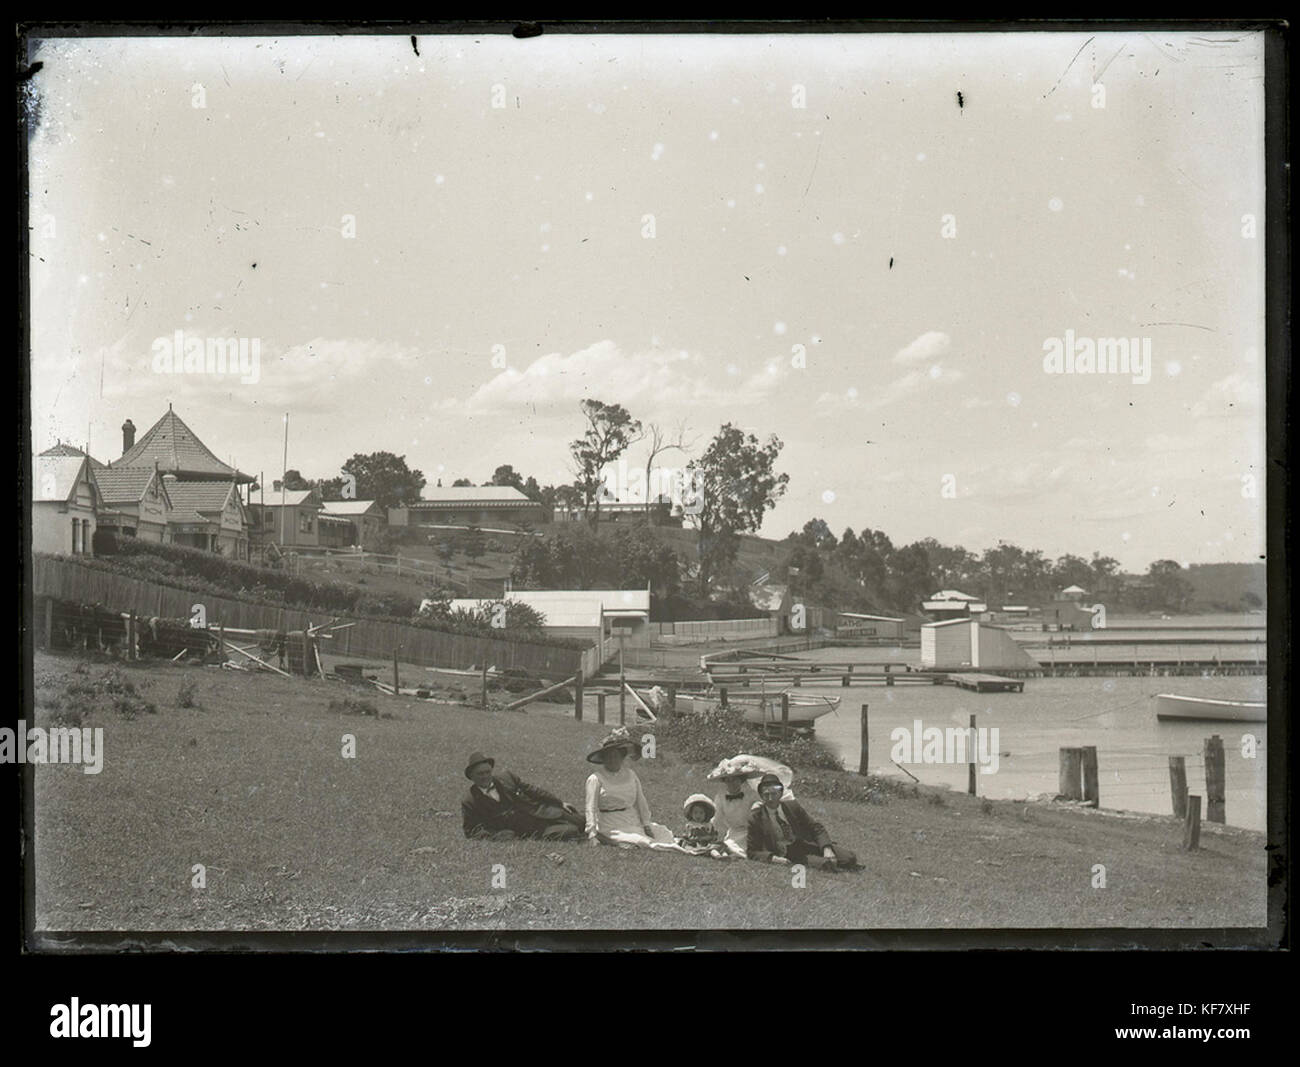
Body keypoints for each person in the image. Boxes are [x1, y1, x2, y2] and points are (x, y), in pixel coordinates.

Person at [584, 727, 681, 849]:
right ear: (603, 759)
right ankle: (607, 838)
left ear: (622, 757)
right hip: (610, 824)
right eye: (608, 756)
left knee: (662, 833)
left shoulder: (631, 775)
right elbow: (590, 807)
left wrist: (646, 824)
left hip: (631, 819)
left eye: (616, 756)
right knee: (642, 841)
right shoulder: (595, 779)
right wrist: (592, 834)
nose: (612, 760)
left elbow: (640, 801)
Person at [461, 751, 585, 841]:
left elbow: (534, 791)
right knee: (571, 831)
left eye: (487, 772)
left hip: (543, 812)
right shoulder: (470, 800)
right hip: (532, 832)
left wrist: (560, 803)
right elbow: (471, 831)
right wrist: (495, 836)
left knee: (584, 821)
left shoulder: (506, 778)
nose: (485, 776)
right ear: (472, 777)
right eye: (480, 774)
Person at [746, 773, 859, 871]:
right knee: (826, 864)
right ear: (761, 796)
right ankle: (824, 863)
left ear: (780, 793)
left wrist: (827, 849)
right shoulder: (756, 818)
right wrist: (773, 858)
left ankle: (831, 857)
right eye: (766, 795)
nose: (770, 799)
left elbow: (816, 827)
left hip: (805, 843)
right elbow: (752, 852)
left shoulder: (792, 806)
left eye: (774, 794)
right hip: (788, 852)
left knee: (849, 858)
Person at [706, 754, 794, 857]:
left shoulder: (750, 796)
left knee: (744, 848)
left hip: (751, 832)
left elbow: (762, 811)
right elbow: (717, 819)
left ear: (741, 780)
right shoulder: (720, 798)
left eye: (735, 780)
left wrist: (757, 808)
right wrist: (706, 829)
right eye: (728, 780)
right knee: (728, 845)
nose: (731, 784)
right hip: (734, 833)